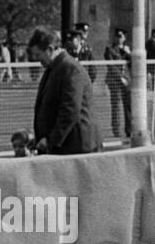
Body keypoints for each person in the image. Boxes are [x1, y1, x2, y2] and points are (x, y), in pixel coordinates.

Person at [28, 26, 101, 156]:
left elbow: (70, 111)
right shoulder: (54, 68)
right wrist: (40, 138)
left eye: (38, 54)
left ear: (50, 49)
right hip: (65, 146)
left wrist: (50, 141)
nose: (36, 59)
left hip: (78, 149)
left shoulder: (71, 69)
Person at [103, 28, 132, 138]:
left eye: (122, 37)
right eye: (118, 37)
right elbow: (111, 65)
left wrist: (129, 53)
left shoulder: (126, 49)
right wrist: (120, 78)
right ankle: (116, 130)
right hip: (115, 80)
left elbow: (132, 64)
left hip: (127, 80)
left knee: (128, 105)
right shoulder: (110, 49)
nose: (120, 39)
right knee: (116, 106)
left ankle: (129, 129)